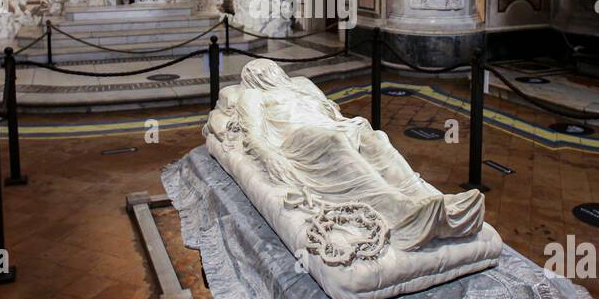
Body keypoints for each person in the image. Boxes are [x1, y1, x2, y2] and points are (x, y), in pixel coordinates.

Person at [205, 58, 486, 250]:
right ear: (251, 77)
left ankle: (426, 199)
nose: (267, 70)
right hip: (298, 139)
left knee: (373, 136)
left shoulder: (300, 85)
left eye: (269, 67)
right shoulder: (252, 96)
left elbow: (332, 108)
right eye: (258, 69)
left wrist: (340, 121)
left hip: (333, 127)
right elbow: (253, 134)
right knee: (334, 141)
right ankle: (399, 210)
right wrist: (269, 156)